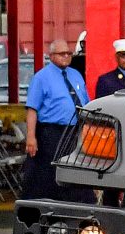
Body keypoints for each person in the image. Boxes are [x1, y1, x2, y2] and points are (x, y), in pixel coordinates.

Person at [22, 40, 88, 199]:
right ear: (51, 56)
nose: (66, 56)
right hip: (52, 132)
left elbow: (86, 101)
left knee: (75, 169)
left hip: (75, 131)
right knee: (50, 172)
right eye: (61, 54)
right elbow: (32, 109)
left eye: (68, 53)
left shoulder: (75, 75)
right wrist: (30, 137)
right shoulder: (41, 77)